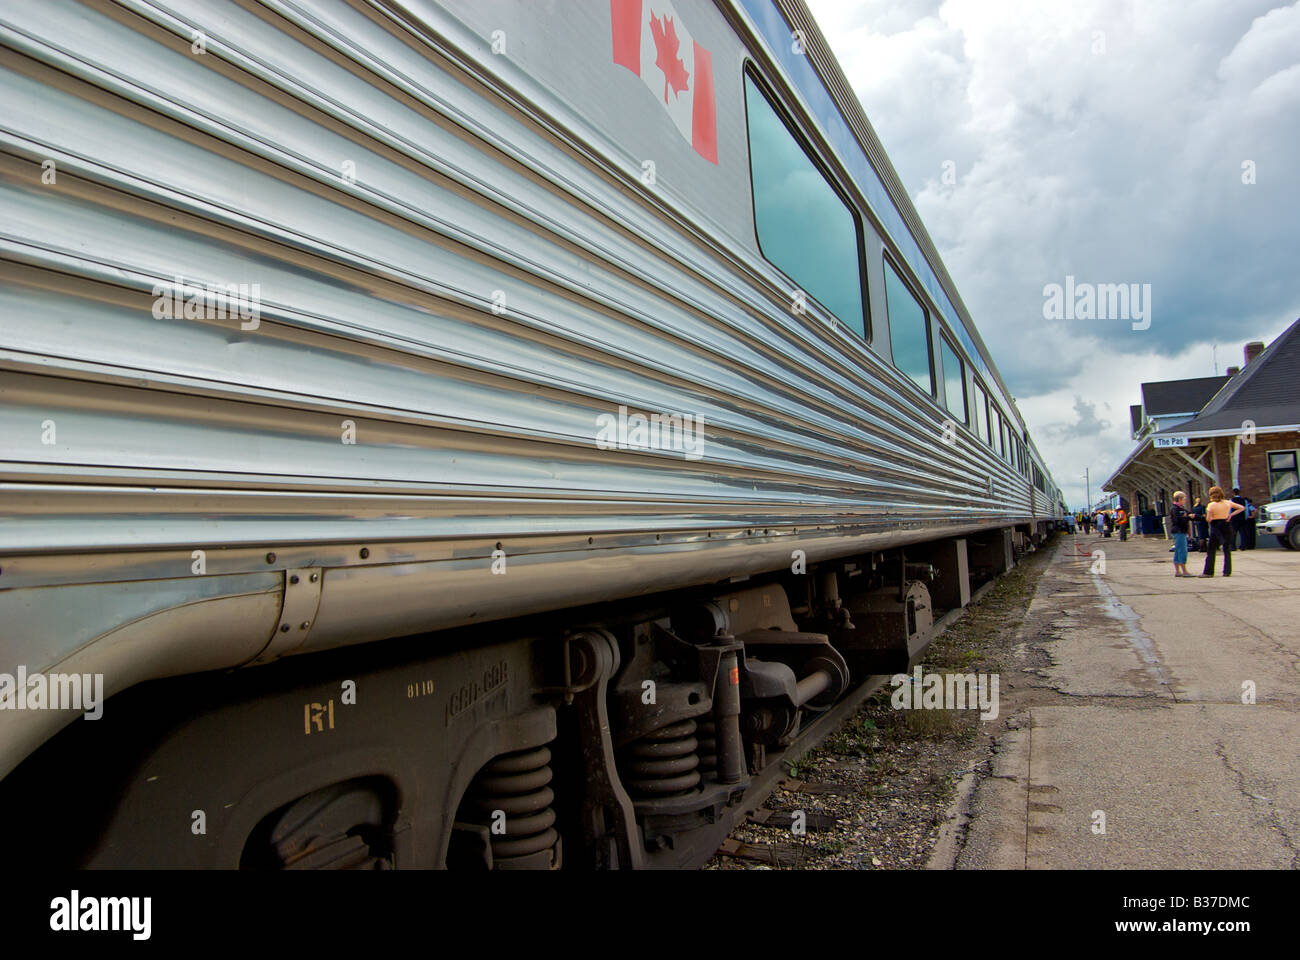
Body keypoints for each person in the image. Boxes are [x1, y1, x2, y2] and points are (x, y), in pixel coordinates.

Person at [1200, 486, 1246, 577]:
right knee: (1227, 549)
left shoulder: (1211, 505)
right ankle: (1227, 571)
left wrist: (1210, 517)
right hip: (1226, 524)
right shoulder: (1228, 503)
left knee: (1211, 550)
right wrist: (1230, 515)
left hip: (1216, 526)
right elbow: (1241, 508)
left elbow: (1208, 519)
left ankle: (1208, 572)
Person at [1169, 491, 1192, 577]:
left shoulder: (1181, 508)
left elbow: (1188, 514)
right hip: (1179, 531)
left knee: (1178, 550)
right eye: (1184, 499)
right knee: (1182, 550)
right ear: (1179, 499)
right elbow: (1177, 520)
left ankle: (1178, 571)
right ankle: (1184, 570)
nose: (1185, 500)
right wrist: (1186, 517)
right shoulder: (1175, 509)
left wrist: (1191, 516)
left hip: (1180, 531)